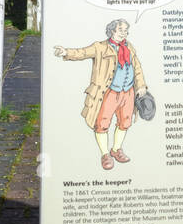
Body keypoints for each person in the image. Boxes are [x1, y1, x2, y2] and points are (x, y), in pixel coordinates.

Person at [53, 19, 146, 170]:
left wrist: (141, 85)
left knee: (125, 122)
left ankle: (116, 150)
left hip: (128, 92)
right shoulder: (100, 47)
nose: (125, 33)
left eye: (126, 30)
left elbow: (137, 68)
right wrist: (66, 52)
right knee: (102, 124)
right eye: (121, 30)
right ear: (112, 31)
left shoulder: (129, 47)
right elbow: (82, 53)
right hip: (108, 92)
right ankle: (105, 154)